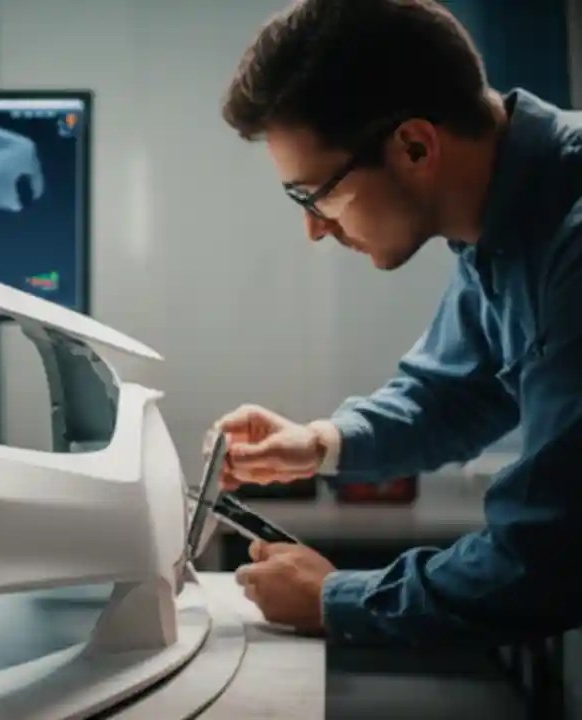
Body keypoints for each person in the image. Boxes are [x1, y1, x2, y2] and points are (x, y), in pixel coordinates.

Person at [212, 0, 582, 646]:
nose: (314, 228)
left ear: (414, 145)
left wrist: (336, 599)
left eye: (315, 192)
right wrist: (320, 443)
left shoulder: (572, 243)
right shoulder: (505, 220)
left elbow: (551, 554)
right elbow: (457, 391)